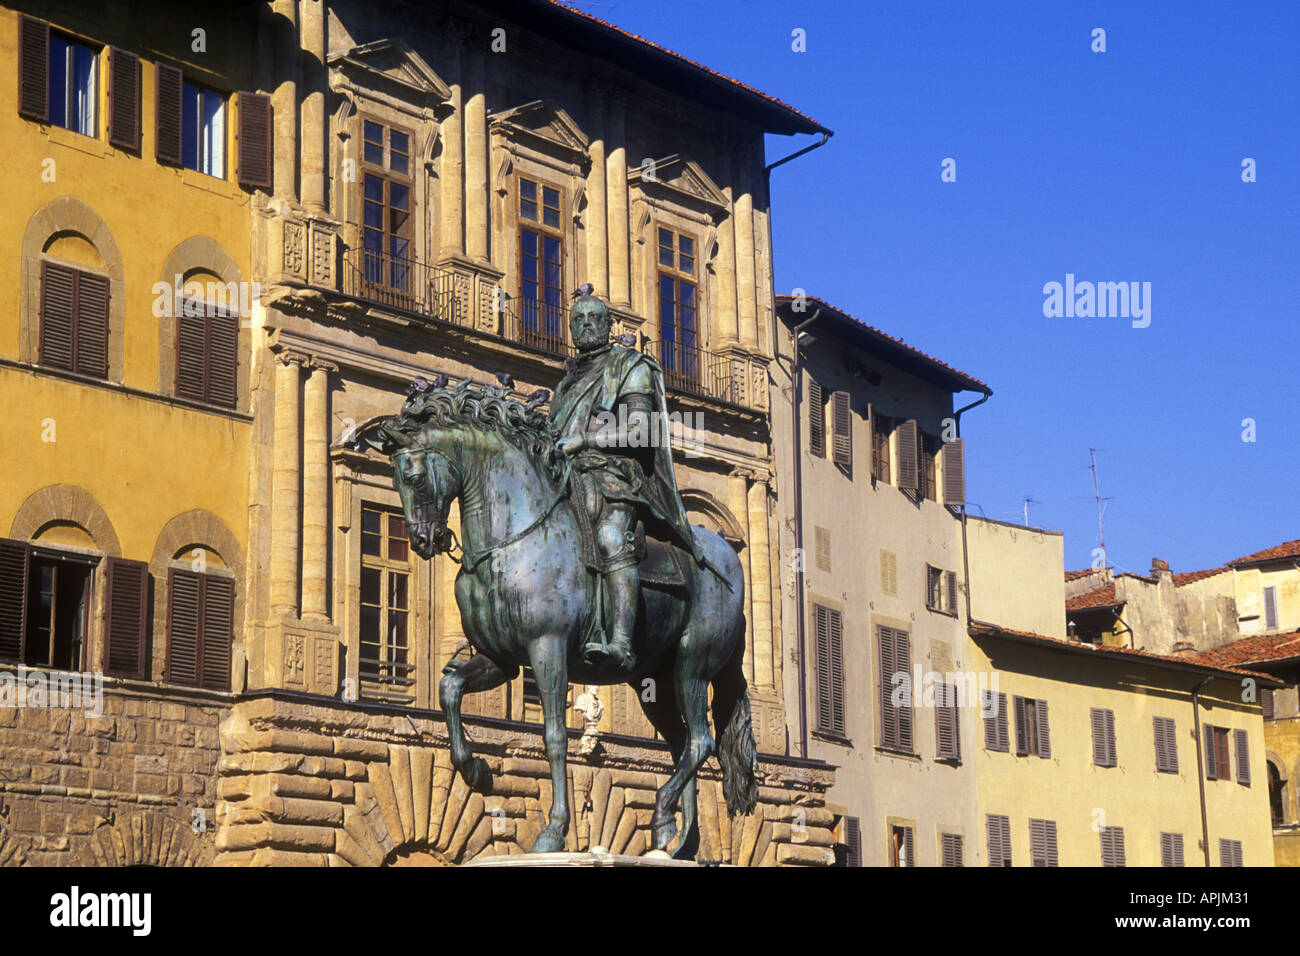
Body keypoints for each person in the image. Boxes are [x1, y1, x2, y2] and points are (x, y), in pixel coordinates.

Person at [549, 291, 701, 672]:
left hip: (615, 478)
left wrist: (587, 439)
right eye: (578, 318)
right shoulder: (566, 383)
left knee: (611, 538)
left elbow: (641, 429)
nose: (585, 324)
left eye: (593, 318)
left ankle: (621, 641)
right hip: (569, 476)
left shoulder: (630, 366)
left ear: (608, 325)